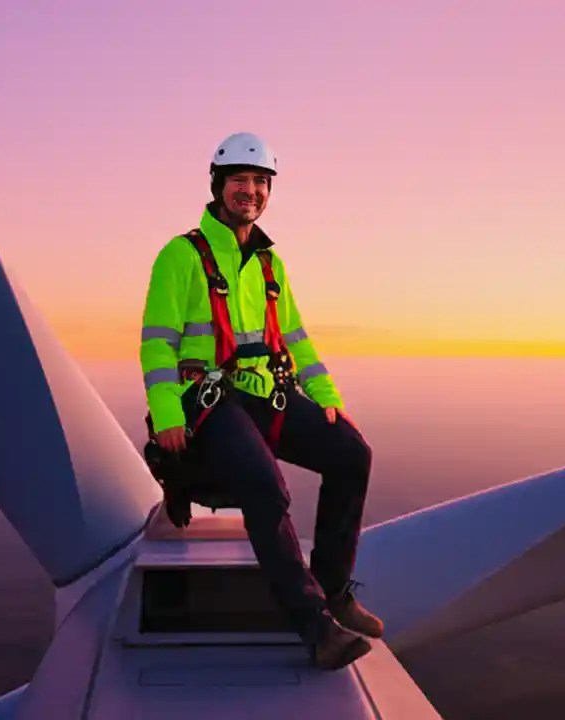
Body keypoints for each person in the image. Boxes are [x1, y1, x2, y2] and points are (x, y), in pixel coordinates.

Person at [139, 132, 383, 670]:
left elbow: (295, 337)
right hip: (206, 399)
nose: (249, 191)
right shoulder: (180, 256)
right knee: (264, 486)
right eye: (239, 181)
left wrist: (327, 399)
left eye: (259, 182)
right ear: (218, 187)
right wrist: (170, 414)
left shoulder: (271, 263)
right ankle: (316, 628)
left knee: (352, 454)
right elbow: (158, 340)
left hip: (263, 392)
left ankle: (334, 590)